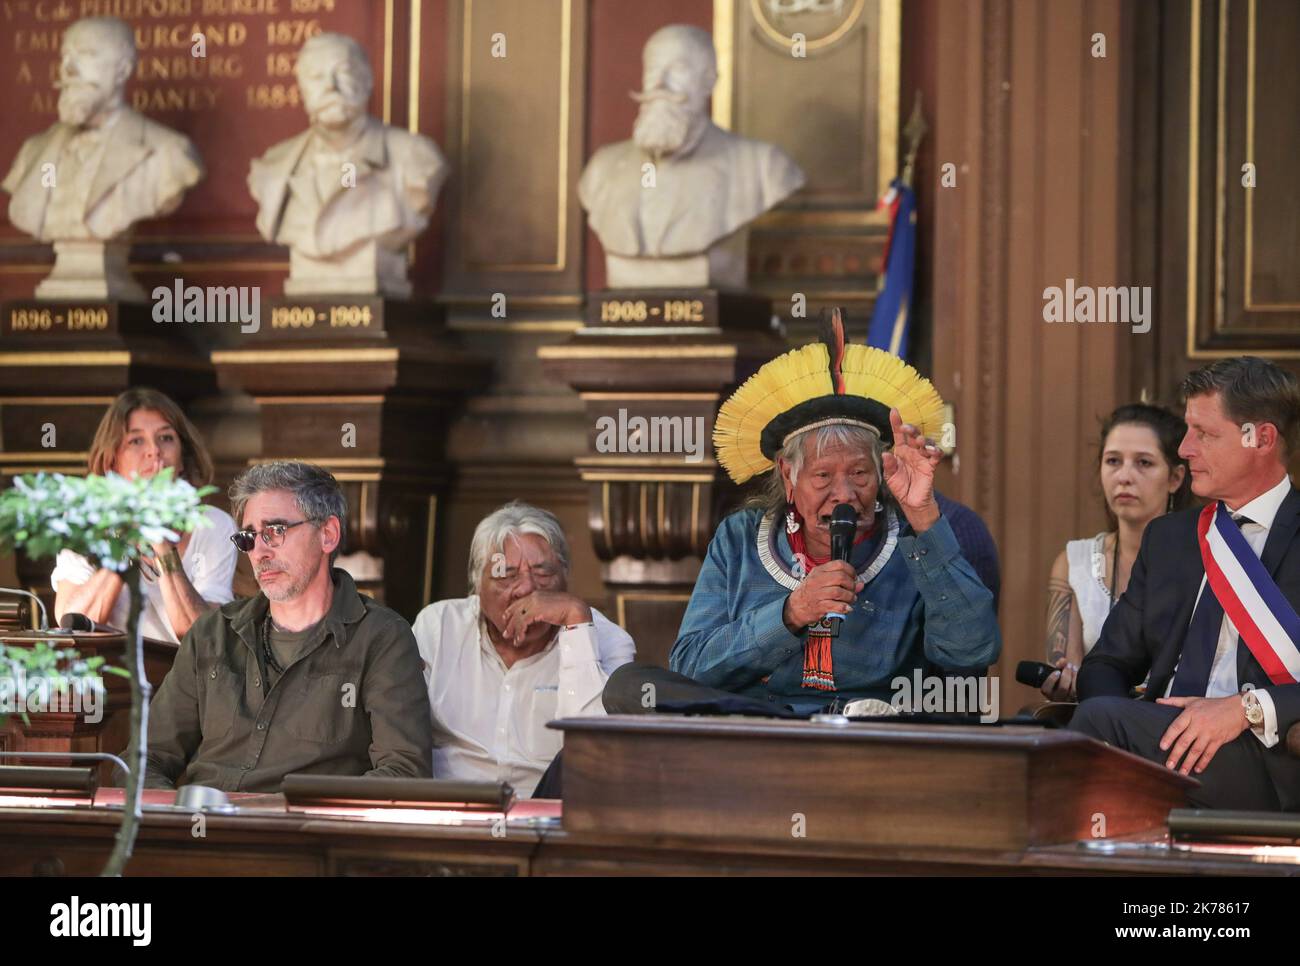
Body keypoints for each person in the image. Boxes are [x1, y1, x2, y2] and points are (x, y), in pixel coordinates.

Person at [605, 311, 1000, 715]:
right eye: (823, 476)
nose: (844, 494)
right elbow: (691, 666)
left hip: (875, 734)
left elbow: (973, 651)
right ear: (788, 476)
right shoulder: (740, 538)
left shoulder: (915, 539)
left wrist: (924, 515)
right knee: (630, 685)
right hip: (760, 727)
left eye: (860, 473)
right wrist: (791, 613)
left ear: (881, 473)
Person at [1071, 357, 1300, 811]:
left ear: (1262, 438)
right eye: (1187, 430)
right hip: (1159, 743)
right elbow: (1106, 663)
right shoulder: (1171, 538)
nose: (1185, 449)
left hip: (1266, 760)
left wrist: (1244, 709)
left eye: (1205, 434)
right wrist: (1122, 736)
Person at [144, 461, 432, 792]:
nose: (259, 551)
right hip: (204, 831)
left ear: (328, 534)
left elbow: (405, 771)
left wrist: (296, 811)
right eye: (249, 536)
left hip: (307, 834)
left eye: (276, 531)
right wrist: (173, 818)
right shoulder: (212, 634)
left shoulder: (382, 638)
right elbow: (146, 759)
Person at [412, 502, 635, 798]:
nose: (527, 588)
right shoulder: (438, 628)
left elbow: (599, 756)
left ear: (565, 577)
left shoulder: (607, 639)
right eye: (507, 575)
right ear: (477, 584)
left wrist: (576, 624)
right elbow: (399, 740)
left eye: (543, 573)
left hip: (554, 822)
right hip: (451, 816)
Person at [52, 388, 237, 644]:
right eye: (136, 441)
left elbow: (203, 636)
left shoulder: (213, 525)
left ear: (182, 459)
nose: (155, 451)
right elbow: (73, 625)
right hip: (111, 677)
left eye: (166, 438)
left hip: (188, 679)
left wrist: (160, 542)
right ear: (111, 461)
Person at [1041, 404, 1191, 700]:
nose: (1124, 476)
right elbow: (1063, 669)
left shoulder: (1202, 558)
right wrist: (1062, 678)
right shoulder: (1075, 562)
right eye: (1113, 461)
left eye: (1144, 463)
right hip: (1100, 724)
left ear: (1175, 478)